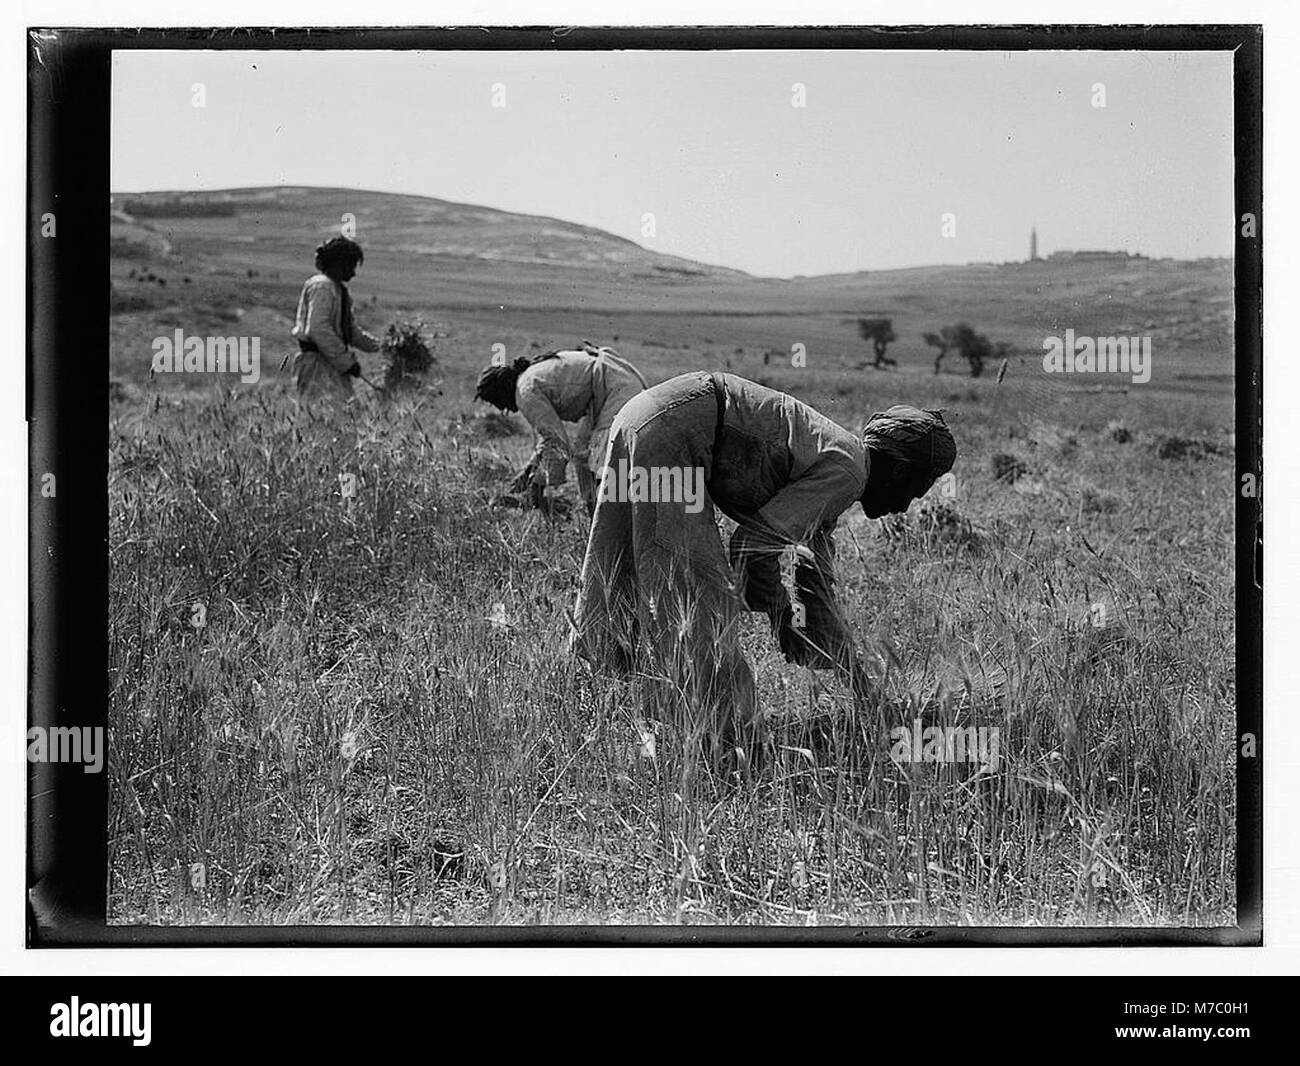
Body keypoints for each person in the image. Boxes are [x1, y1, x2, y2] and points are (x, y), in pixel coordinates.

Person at [569, 371, 957, 765]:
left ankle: (613, 706)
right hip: (676, 430)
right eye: (916, 488)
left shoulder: (838, 467)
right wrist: (780, 616)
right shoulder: (847, 473)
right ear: (899, 469)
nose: (907, 505)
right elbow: (752, 545)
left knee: (620, 571)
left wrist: (862, 689)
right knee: (701, 600)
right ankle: (731, 748)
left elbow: (817, 592)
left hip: (641, 417)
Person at [474, 342, 647, 513]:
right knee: (584, 457)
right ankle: (598, 525)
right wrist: (530, 469)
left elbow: (557, 442)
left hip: (616, 386)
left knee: (603, 459)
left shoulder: (525, 391)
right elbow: (548, 436)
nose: (501, 409)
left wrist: (537, 484)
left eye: (495, 402)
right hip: (612, 382)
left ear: (500, 393)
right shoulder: (529, 378)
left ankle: (614, 526)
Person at [290, 236, 381, 399]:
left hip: (331, 363)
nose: (353, 273)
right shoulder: (322, 286)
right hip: (317, 365)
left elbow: (351, 332)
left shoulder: (338, 290)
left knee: (345, 416)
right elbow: (318, 329)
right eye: (350, 266)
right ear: (338, 264)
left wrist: (382, 345)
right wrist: (346, 362)